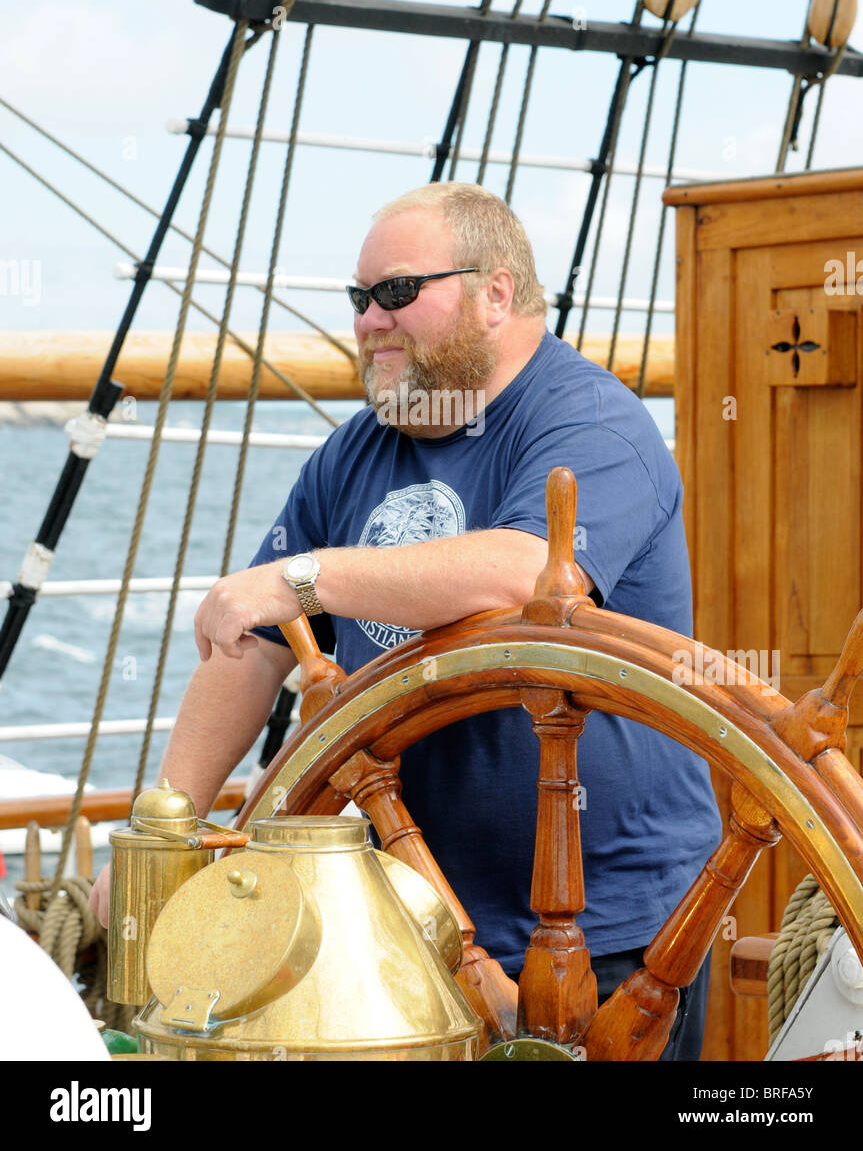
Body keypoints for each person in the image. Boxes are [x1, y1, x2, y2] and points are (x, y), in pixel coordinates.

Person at [91, 181, 721, 1058]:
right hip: (400, 913)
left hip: (599, 925)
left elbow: (522, 571)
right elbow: (252, 650)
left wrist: (302, 578)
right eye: (359, 298)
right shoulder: (354, 450)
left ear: (495, 293)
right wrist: (163, 828)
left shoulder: (589, 421)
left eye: (396, 293)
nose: (369, 321)